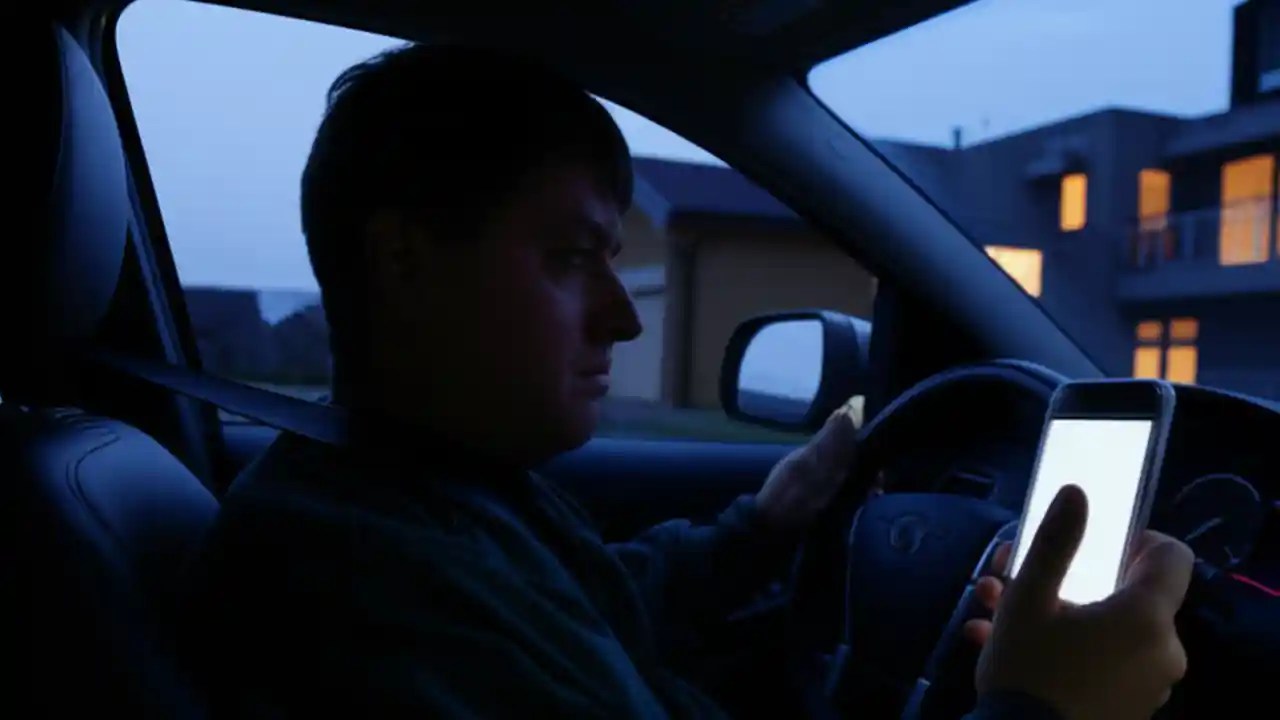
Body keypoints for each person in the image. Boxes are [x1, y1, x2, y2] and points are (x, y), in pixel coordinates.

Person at [179, 43, 1194, 719]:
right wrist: (1039, 708)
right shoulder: (354, 580)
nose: (622, 317)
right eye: (569, 258)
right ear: (404, 261)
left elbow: (604, 607)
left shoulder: (440, 495)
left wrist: (768, 523)